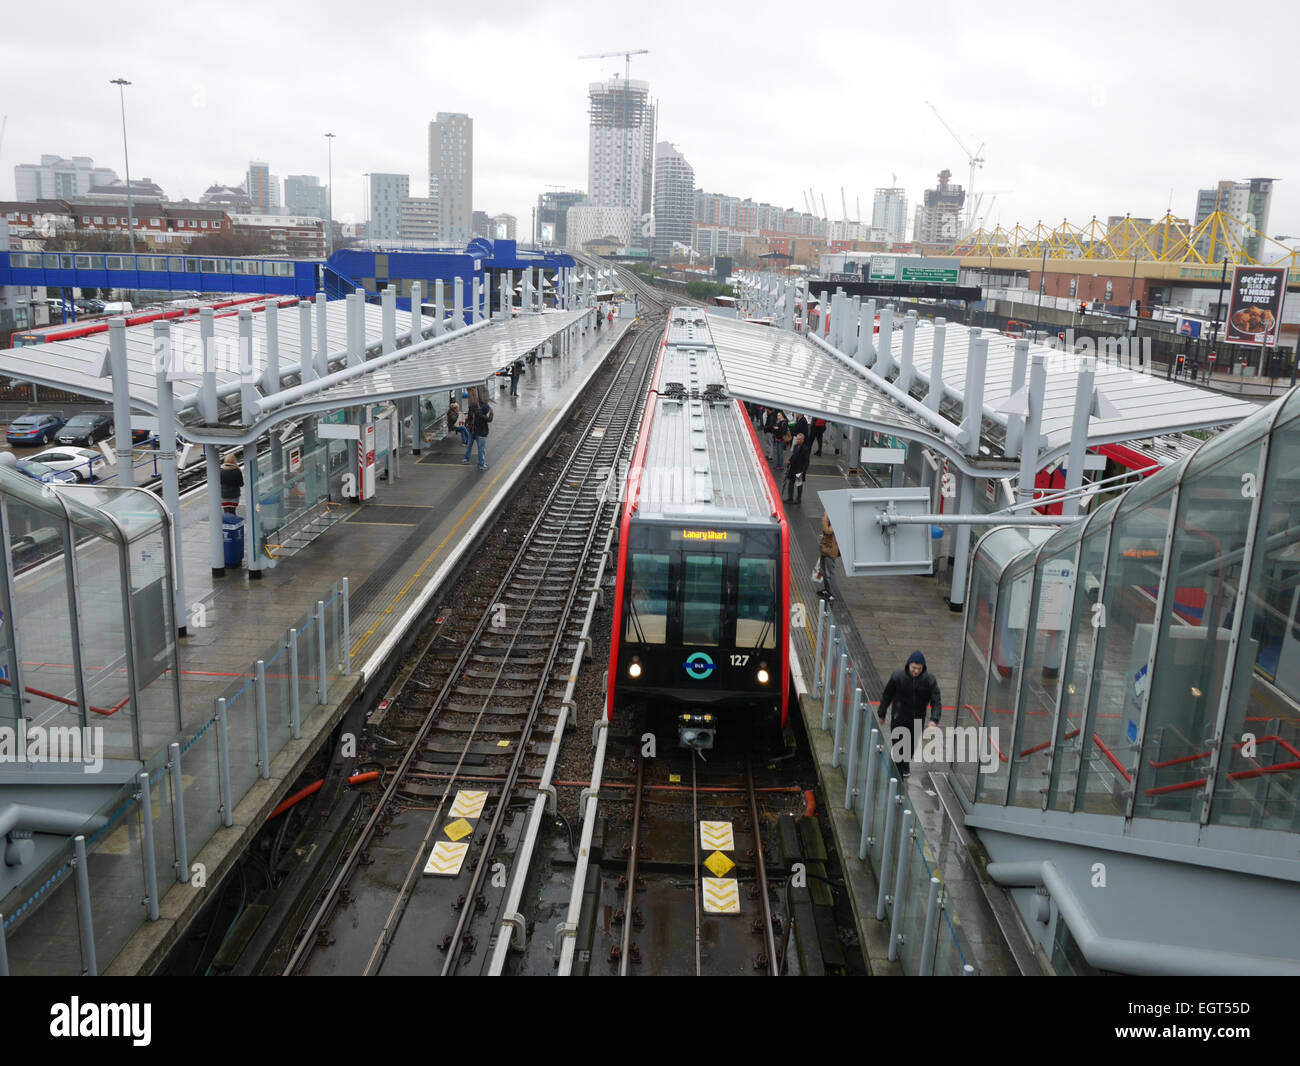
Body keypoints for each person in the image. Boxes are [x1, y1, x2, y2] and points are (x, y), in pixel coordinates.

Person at [877, 651, 942, 780]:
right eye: (913, 668)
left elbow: (936, 701)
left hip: (917, 719)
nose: (916, 671)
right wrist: (882, 713)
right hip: (899, 717)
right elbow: (887, 696)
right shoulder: (897, 677)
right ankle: (898, 776)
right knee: (898, 747)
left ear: (923, 668)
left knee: (911, 747)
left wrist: (934, 719)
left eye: (919, 668)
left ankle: (904, 764)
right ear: (908, 665)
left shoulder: (929, 680)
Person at [462, 394, 492, 470]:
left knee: (471, 446)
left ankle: (467, 459)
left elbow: (467, 423)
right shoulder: (479, 414)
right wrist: (491, 413)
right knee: (481, 449)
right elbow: (489, 419)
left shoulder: (474, 414)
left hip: (472, 432)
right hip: (478, 433)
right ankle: (481, 463)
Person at [817, 511, 839, 602]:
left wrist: (825, 517)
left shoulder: (837, 520)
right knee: (824, 571)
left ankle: (832, 594)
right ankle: (827, 590)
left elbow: (827, 530)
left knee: (830, 573)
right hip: (826, 549)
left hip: (830, 551)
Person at [783, 433, 810, 503]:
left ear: (802, 440)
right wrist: (790, 460)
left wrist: (803, 471)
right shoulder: (795, 446)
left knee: (799, 484)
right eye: (797, 439)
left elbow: (806, 462)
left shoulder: (805, 449)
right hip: (793, 468)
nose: (797, 440)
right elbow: (793, 455)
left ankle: (798, 499)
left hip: (799, 469)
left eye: (799, 439)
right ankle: (790, 498)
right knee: (791, 483)